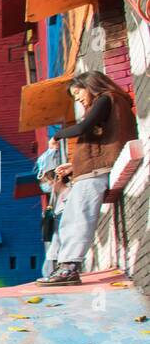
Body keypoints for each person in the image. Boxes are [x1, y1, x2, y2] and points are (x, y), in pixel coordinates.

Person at [39, 71, 136, 286]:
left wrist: (56, 136)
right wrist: (74, 166)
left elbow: (83, 127)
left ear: (90, 85)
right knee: (74, 216)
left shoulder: (105, 99)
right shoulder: (113, 103)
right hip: (93, 170)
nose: (78, 99)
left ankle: (69, 268)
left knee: (77, 216)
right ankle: (66, 266)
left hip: (95, 172)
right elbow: (104, 141)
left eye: (78, 93)